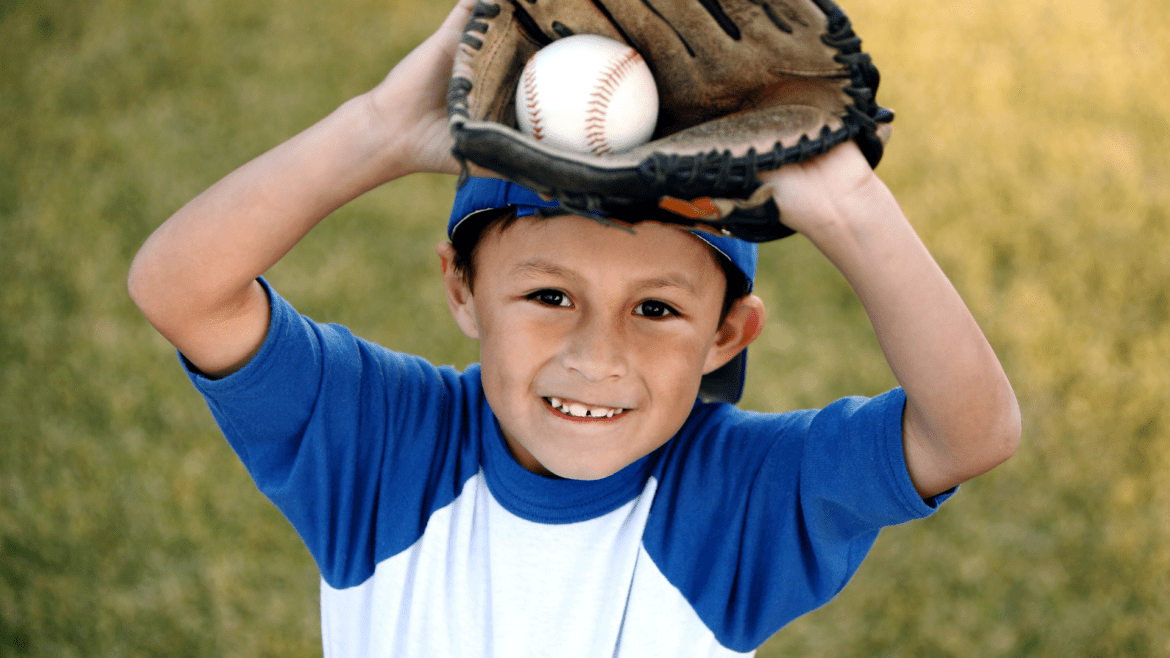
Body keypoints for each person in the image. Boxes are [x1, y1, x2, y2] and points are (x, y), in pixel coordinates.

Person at [127, 1, 1020, 655]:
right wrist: (377, 133)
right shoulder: (387, 446)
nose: (597, 357)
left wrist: (853, 207)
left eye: (658, 310)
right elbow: (180, 288)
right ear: (463, 288)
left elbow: (970, 433)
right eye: (550, 297)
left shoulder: (729, 502)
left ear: (728, 334)